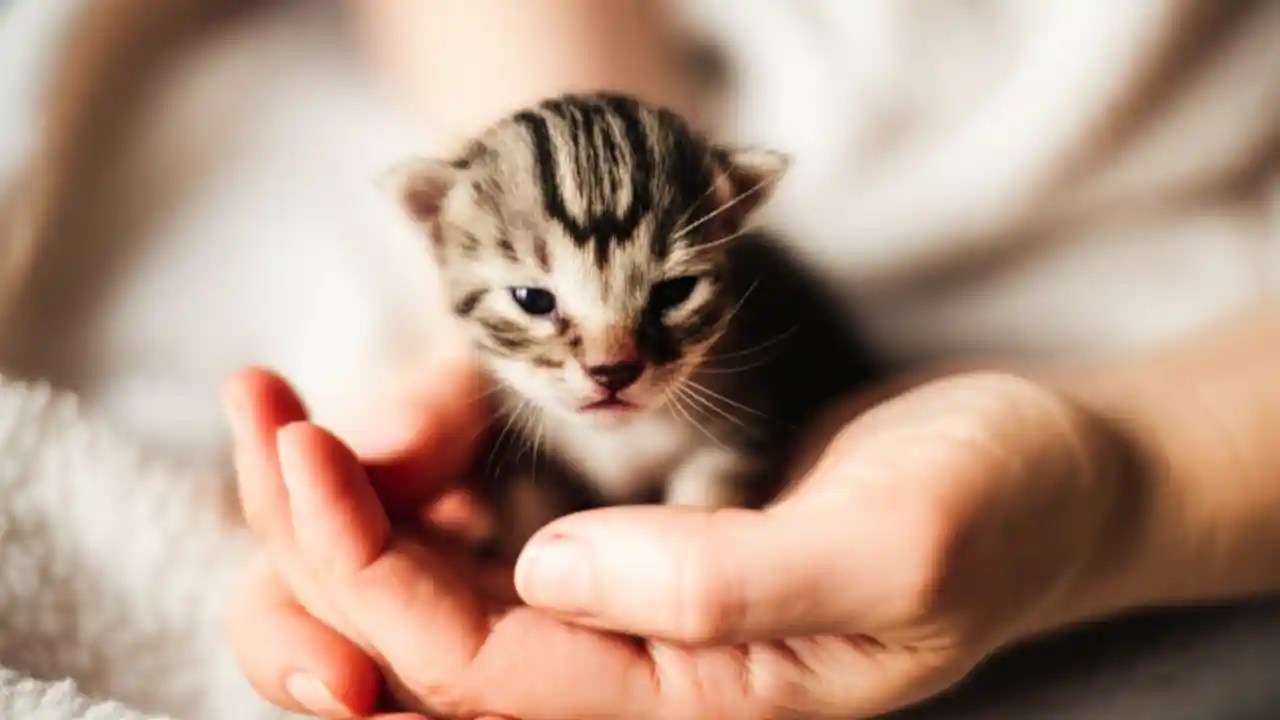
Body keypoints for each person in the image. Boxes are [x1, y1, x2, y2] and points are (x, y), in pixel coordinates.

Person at [224, 2, 1280, 717]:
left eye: (670, 294)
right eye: (540, 304)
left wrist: (1122, 489)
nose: (609, 359)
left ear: (735, 223)